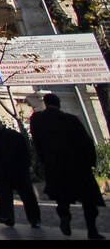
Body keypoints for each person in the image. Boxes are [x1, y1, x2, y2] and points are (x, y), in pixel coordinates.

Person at [30, 94, 104, 239]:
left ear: (45, 104)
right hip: (78, 166)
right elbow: (86, 143)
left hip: (54, 166)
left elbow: (37, 144)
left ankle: (64, 216)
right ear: (59, 104)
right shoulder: (70, 119)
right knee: (89, 201)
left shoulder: (38, 121)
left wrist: (42, 162)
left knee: (62, 198)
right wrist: (91, 163)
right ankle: (92, 230)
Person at [0, 114, 40, 228]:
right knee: (5, 195)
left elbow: (25, 151)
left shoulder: (13, 135)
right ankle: (7, 217)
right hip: (2, 170)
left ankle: (34, 219)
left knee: (27, 196)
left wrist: (25, 166)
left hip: (18, 170)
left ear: (0, 122)